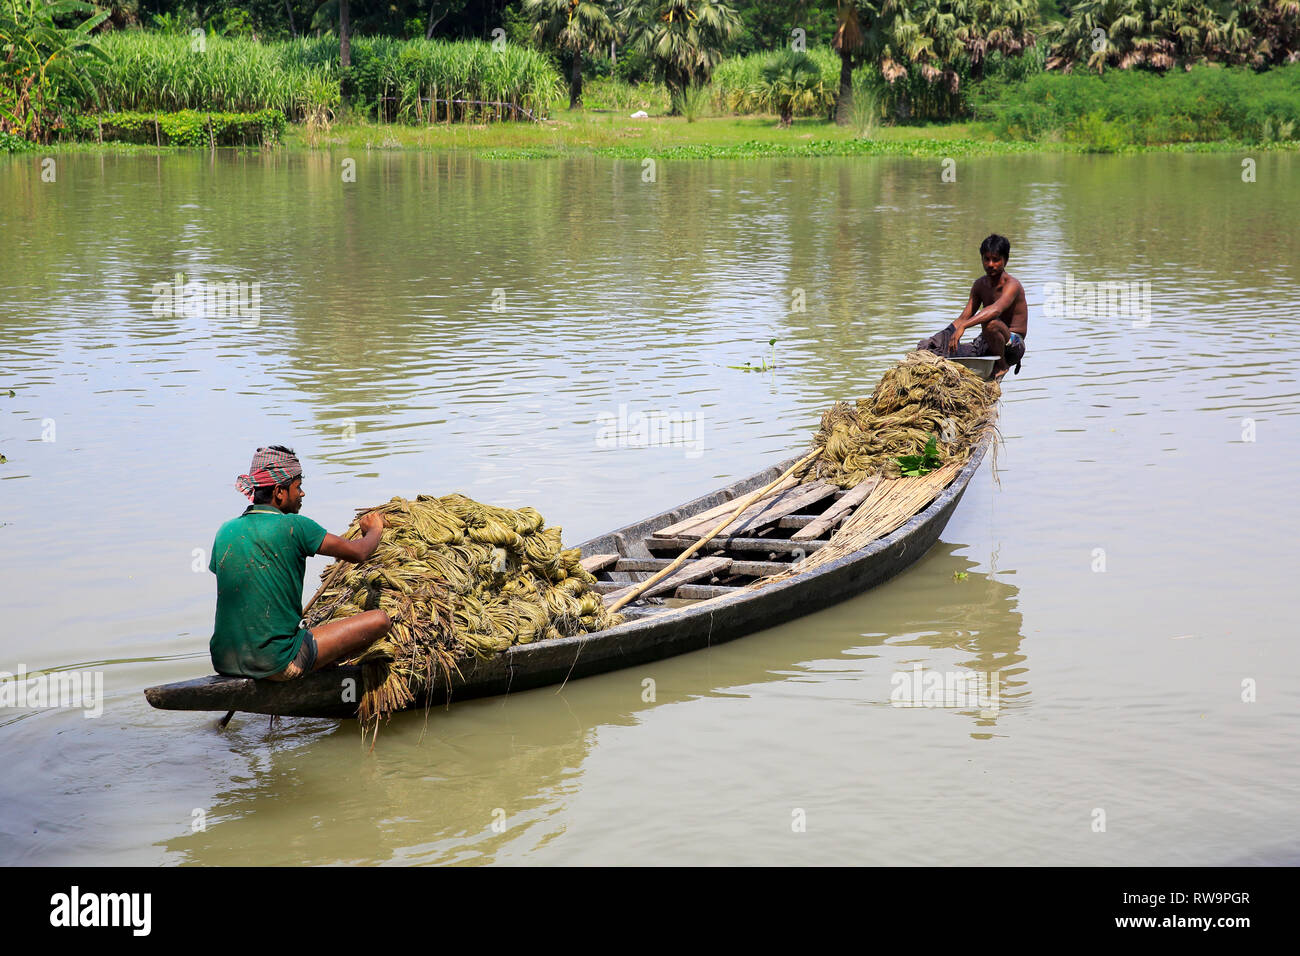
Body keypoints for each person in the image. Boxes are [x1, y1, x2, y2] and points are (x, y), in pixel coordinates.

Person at [208, 445, 391, 682]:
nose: (302, 494)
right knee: (380, 620)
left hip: (223, 660)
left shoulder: (225, 530)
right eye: (298, 487)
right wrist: (374, 530)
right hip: (276, 662)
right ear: (279, 492)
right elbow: (359, 553)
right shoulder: (296, 526)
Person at [918, 234, 1027, 380]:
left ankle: (1001, 365)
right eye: (986, 259)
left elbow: (996, 310)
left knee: (990, 324)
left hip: (1012, 345)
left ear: (1005, 260)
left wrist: (964, 327)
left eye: (996, 260)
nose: (990, 264)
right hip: (986, 343)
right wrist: (942, 337)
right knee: (932, 347)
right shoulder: (979, 285)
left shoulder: (1012, 285)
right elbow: (963, 317)